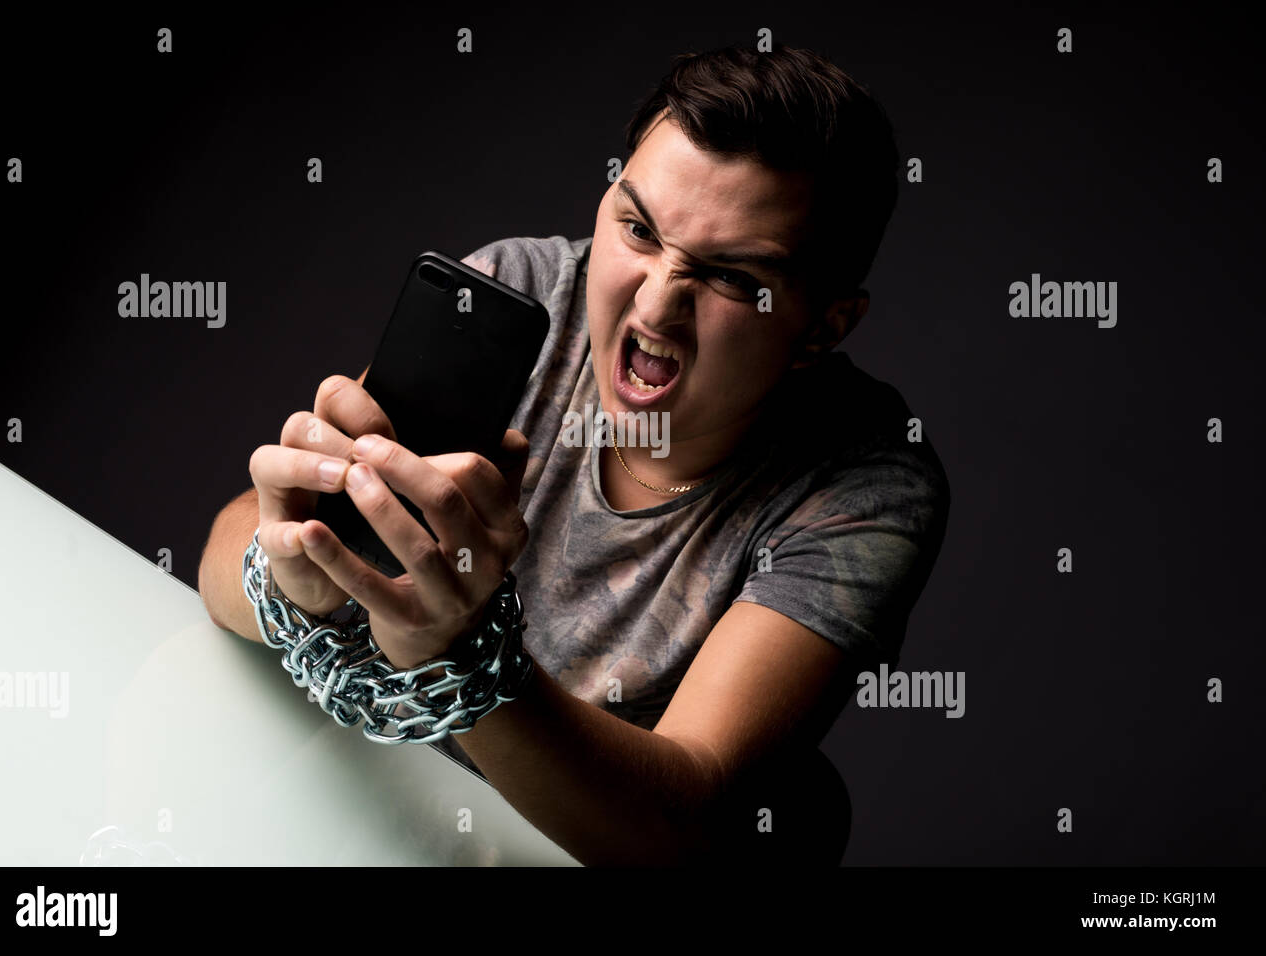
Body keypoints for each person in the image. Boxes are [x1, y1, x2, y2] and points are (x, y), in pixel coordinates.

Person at [199, 42, 950, 866]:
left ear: (825, 327)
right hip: (355, 811)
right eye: (638, 229)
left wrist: (459, 651)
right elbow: (225, 555)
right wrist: (294, 574)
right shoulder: (516, 303)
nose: (657, 303)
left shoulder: (866, 487)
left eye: (732, 277)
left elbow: (679, 817)